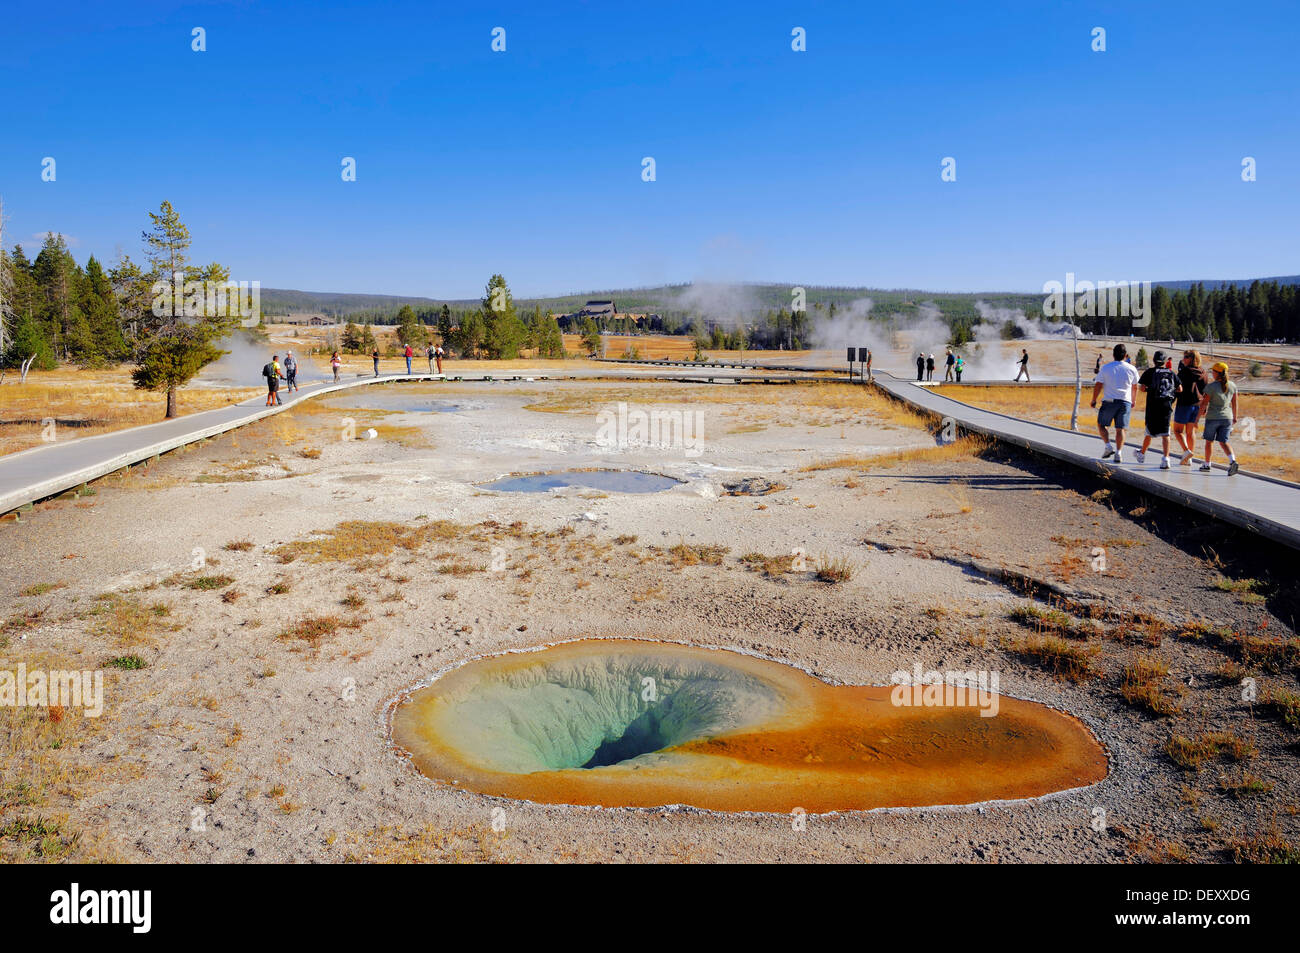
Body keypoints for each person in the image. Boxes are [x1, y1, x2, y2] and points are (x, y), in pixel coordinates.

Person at [1090, 343, 1140, 463]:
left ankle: (1108, 446)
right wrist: (1133, 400)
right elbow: (1135, 387)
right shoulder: (1132, 369)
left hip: (1109, 401)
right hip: (1125, 401)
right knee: (1121, 429)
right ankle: (1119, 453)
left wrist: (1094, 399)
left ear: (1113, 355)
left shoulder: (1106, 368)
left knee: (1101, 425)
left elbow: (1098, 385)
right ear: (1126, 355)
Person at [1135, 350, 1181, 469]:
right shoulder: (1171, 373)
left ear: (1154, 360)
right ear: (1165, 361)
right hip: (1166, 405)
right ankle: (1166, 458)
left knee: (1149, 431)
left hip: (1153, 405)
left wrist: (1150, 390)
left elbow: (1142, 388)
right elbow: (1180, 389)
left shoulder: (1149, 372)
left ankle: (1142, 454)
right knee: (1166, 433)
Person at [1198, 362, 1239, 475]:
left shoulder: (1211, 387)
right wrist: (1235, 417)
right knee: (1224, 442)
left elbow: (1204, 404)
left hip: (1213, 418)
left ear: (1217, 373)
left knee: (1209, 442)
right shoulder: (1233, 386)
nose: (1212, 373)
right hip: (1227, 418)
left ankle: (1207, 464)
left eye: (1213, 371)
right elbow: (1235, 404)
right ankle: (1232, 461)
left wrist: (1197, 419)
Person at [1173, 350, 1206, 466]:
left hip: (1184, 404)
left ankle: (1186, 451)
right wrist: (1204, 406)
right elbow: (1205, 390)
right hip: (1197, 405)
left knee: (1177, 430)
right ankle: (1188, 458)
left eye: (1186, 357)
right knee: (1190, 432)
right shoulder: (1202, 372)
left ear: (1192, 358)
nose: (1184, 359)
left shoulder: (1184, 372)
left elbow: (1176, 386)